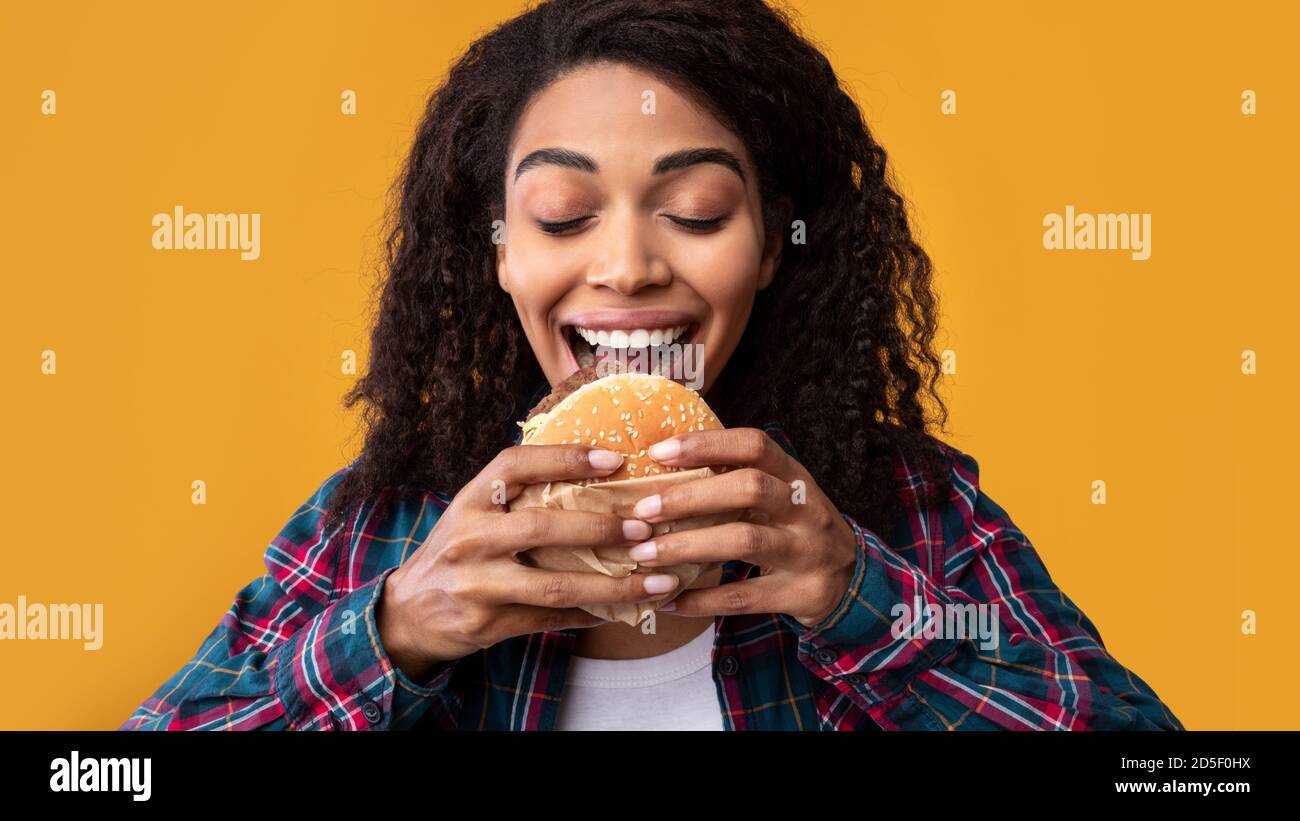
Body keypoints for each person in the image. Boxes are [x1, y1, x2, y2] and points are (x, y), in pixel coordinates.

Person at [122, 0, 1182, 731]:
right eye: (562, 214)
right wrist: (394, 630)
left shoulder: (906, 510)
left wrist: (864, 601)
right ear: (500, 252)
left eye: (696, 211)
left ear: (771, 245)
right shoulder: (388, 528)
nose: (627, 266)